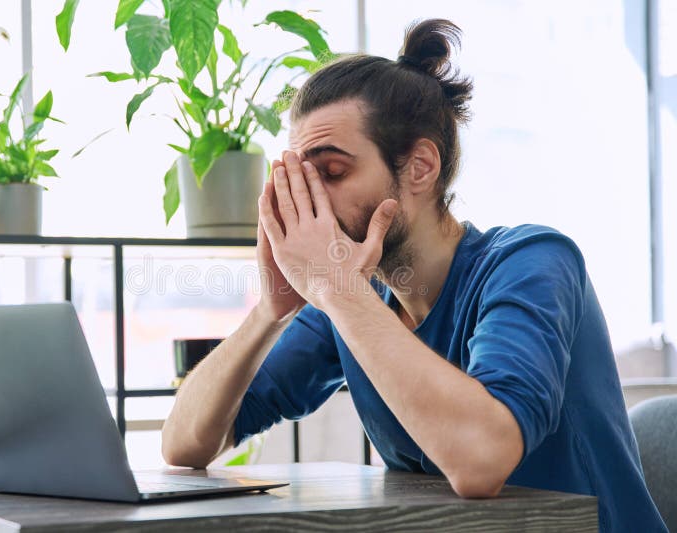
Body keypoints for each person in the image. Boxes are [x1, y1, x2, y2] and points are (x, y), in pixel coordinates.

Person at [161, 18, 666, 532]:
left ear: (420, 167)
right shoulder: (355, 301)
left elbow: (482, 460)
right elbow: (185, 444)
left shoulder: (531, 262)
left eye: (332, 173)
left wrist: (336, 290)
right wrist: (274, 308)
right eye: (301, 178)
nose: (311, 202)